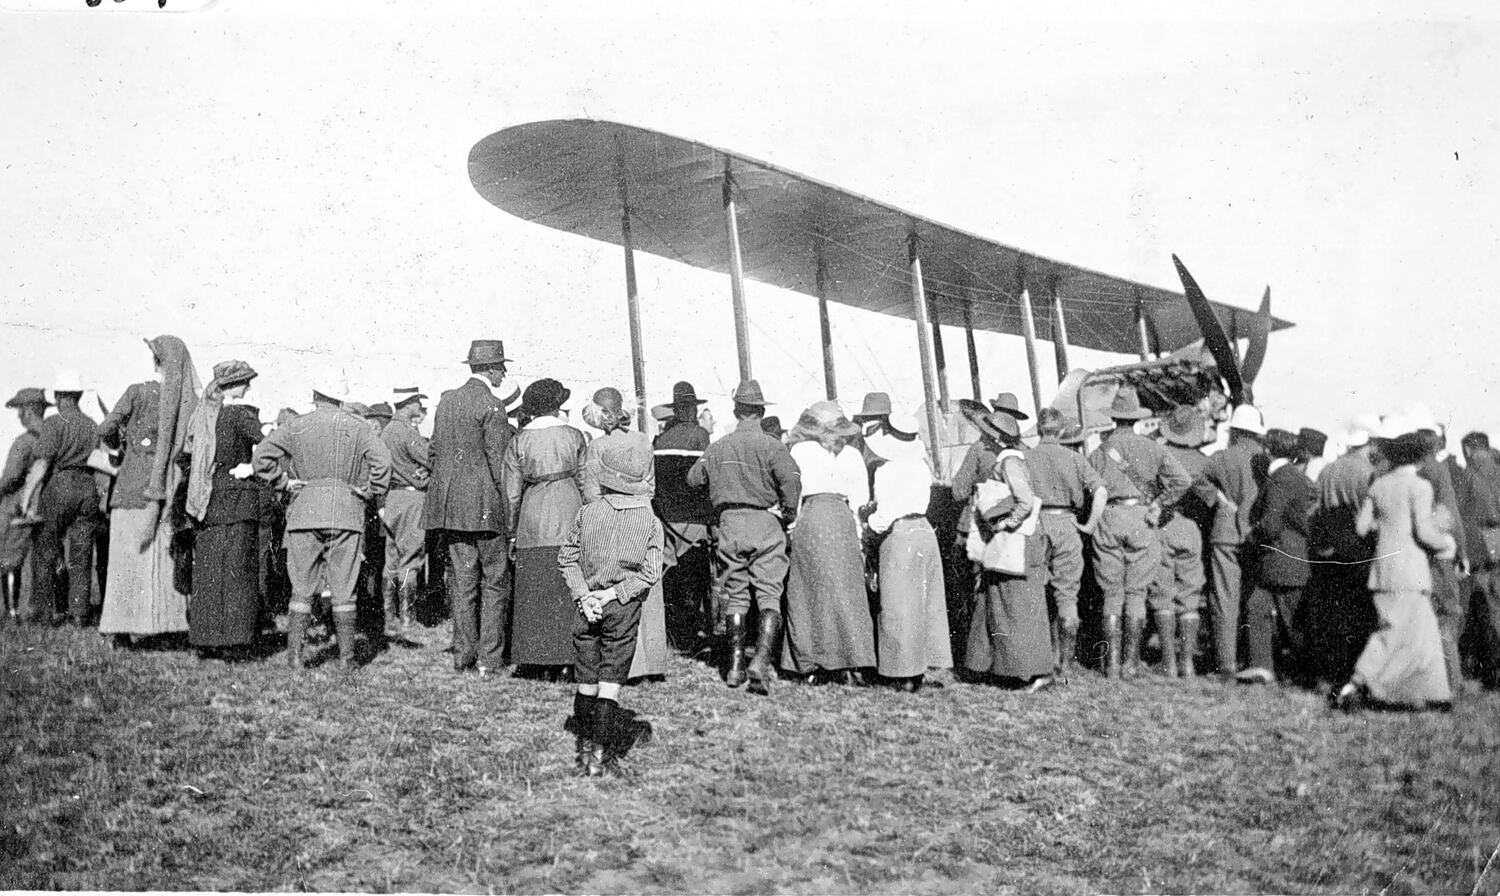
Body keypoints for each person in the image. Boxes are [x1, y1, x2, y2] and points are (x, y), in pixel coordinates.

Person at [253, 384, 390, 670]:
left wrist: (283, 483)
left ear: (315, 396)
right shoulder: (359, 426)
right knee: (344, 588)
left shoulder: (296, 425)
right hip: (345, 511)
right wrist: (369, 490)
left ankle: (295, 659)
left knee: (301, 589)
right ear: (342, 396)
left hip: (304, 510)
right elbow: (382, 463)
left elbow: (261, 458)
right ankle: (347, 660)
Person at [687, 379, 801, 693]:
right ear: (761, 412)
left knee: (734, 594)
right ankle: (760, 662)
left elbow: (694, 478)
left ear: (736, 410)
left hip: (730, 524)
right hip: (765, 523)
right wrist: (788, 513)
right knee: (769, 593)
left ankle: (735, 665)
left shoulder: (718, 446)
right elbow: (791, 484)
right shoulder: (773, 446)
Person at [560, 439, 664, 777]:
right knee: (610, 681)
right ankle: (600, 756)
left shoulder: (587, 512)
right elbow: (650, 573)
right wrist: (613, 594)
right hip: (622, 606)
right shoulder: (649, 520)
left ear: (604, 480)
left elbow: (567, 559)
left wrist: (584, 595)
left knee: (586, 678)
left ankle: (582, 748)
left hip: (586, 603)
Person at [1336, 427, 1456, 710]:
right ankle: (1355, 684)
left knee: (1422, 634)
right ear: (1419, 459)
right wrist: (1446, 543)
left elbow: (1361, 527)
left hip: (1383, 568)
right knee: (1394, 634)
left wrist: (1388, 527)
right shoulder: (1420, 487)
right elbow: (1425, 533)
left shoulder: (1378, 485)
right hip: (1410, 571)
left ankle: (1435, 696)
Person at [95, 337, 199, 645]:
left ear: (155, 361)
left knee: (127, 560)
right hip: (170, 486)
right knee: (162, 562)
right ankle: (168, 628)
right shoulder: (188, 400)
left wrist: (118, 445)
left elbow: (105, 429)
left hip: (131, 486)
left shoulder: (136, 392)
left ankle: (121, 630)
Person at [424, 339, 515, 675]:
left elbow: (434, 452)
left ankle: (463, 655)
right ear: (490, 368)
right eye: (502, 366)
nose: (504, 373)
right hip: (486, 507)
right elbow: (500, 463)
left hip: (450, 507)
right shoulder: (492, 405)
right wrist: (508, 509)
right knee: (494, 580)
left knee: (462, 581)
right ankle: (490, 660)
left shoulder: (446, 402)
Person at [1088, 389, 1191, 678]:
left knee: (1111, 593)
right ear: (1135, 419)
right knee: (1136, 593)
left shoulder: (1098, 453)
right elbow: (1182, 481)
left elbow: (1090, 491)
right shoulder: (1153, 448)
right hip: (1141, 519)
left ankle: (1110, 663)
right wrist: (1159, 503)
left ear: (1114, 418)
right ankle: (1131, 663)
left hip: (1109, 517)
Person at [780, 400, 875, 683]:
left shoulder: (799, 451)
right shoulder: (854, 455)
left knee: (810, 591)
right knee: (847, 591)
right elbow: (860, 500)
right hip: (842, 520)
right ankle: (851, 659)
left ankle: (811, 661)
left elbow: (793, 494)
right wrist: (859, 536)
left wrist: (793, 529)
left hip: (812, 518)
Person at [964, 408, 1053, 689]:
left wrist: (1006, 523)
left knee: (1017, 606)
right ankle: (1003, 667)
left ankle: (1030, 671)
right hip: (1022, 540)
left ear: (997, 439)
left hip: (1017, 541)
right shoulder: (1014, 459)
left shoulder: (1009, 462)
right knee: (1005, 603)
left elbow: (1024, 500)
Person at [581, 386, 666, 679]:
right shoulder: (643, 441)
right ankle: (652, 663)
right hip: (643, 513)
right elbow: (651, 487)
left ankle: (622, 664)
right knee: (645, 581)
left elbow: (591, 494)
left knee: (616, 585)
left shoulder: (598, 448)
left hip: (611, 517)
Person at [504, 377, 588, 674]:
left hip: (533, 516)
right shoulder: (574, 436)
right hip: (569, 509)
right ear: (557, 404)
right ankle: (567, 661)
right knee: (568, 588)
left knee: (535, 591)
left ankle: (535, 660)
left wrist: (511, 533)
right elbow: (585, 482)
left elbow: (512, 494)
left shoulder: (519, 441)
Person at [182, 360, 264, 657]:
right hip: (238, 501)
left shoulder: (203, 414)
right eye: (245, 382)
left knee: (209, 570)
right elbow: (268, 447)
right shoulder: (241, 415)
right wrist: (251, 466)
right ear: (233, 386)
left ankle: (206, 639)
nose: (249, 386)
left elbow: (188, 456)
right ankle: (235, 641)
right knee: (237, 573)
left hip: (207, 499)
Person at [865, 409, 951, 691]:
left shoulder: (887, 470)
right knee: (924, 601)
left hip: (899, 533)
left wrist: (870, 525)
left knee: (898, 604)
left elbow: (886, 512)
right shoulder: (920, 466)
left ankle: (902, 672)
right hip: (924, 531)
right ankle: (921, 668)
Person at [1025, 408, 1106, 679]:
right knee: (1067, 594)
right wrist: (1090, 525)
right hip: (1067, 525)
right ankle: (1066, 664)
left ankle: (1041, 658)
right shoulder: (1075, 458)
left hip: (1035, 525)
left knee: (1036, 591)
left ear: (1038, 429)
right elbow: (1101, 491)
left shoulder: (1026, 457)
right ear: (1060, 431)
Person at [27, 370, 105, 627]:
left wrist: (27, 498)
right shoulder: (92, 424)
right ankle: (80, 613)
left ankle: (43, 613)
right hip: (87, 487)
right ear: (79, 395)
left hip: (59, 486)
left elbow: (41, 464)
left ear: (59, 396)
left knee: (45, 550)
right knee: (82, 555)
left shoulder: (53, 423)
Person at [1196, 403, 1267, 676]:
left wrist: (1218, 499)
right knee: (1251, 598)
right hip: (1253, 534)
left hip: (1224, 533)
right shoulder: (1265, 459)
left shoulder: (1221, 457)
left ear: (1235, 431)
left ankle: (1226, 663)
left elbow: (1196, 479)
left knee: (1224, 599)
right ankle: (1252, 661)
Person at [1240, 428, 1314, 685]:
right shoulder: (1295, 476)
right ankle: (1266, 668)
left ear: (1268, 450)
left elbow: (1271, 524)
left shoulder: (1279, 479)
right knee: (1263, 609)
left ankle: (1302, 671)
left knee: (1289, 619)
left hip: (1279, 558)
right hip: (1292, 557)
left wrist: (1251, 536)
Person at [652, 381, 716, 654]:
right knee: (695, 573)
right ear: (684, 409)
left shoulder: (661, 440)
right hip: (693, 517)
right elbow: (706, 478)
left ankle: (675, 631)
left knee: (672, 574)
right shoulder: (700, 435)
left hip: (666, 517)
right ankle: (693, 635)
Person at [1153, 405, 1213, 677]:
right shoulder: (1203, 462)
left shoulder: (1158, 456)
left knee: (1162, 591)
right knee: (1190, 594)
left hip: (1163, 525)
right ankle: (1187, 662)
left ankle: (1168, 662)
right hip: (1192, 528)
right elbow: (1211, 500)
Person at [380, 389, 430, 638]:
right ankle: (408, 617)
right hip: (412, 499)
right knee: (410, 560)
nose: (420, 406)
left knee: (391, 559)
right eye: (417, 402)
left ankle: (389, 616)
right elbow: (431, 458)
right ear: (408, 404)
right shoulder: (407, 432)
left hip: (392, 499)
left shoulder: (387, 431)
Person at [0, 388, 48, 622]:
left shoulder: (24, 442)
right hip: (46, 505)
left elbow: (11, 476)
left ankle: (12, 611)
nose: (18, 414)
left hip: (20, 506)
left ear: (29, 411)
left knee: (10, 559)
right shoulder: (52, 436)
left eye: (20, 409)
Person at [1458, 431, 1500, 687]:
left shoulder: (1471, 473)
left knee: (1487, 605)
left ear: (1469, 450)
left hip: (1484, 543)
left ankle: (1491, 669)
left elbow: (1470, 512)